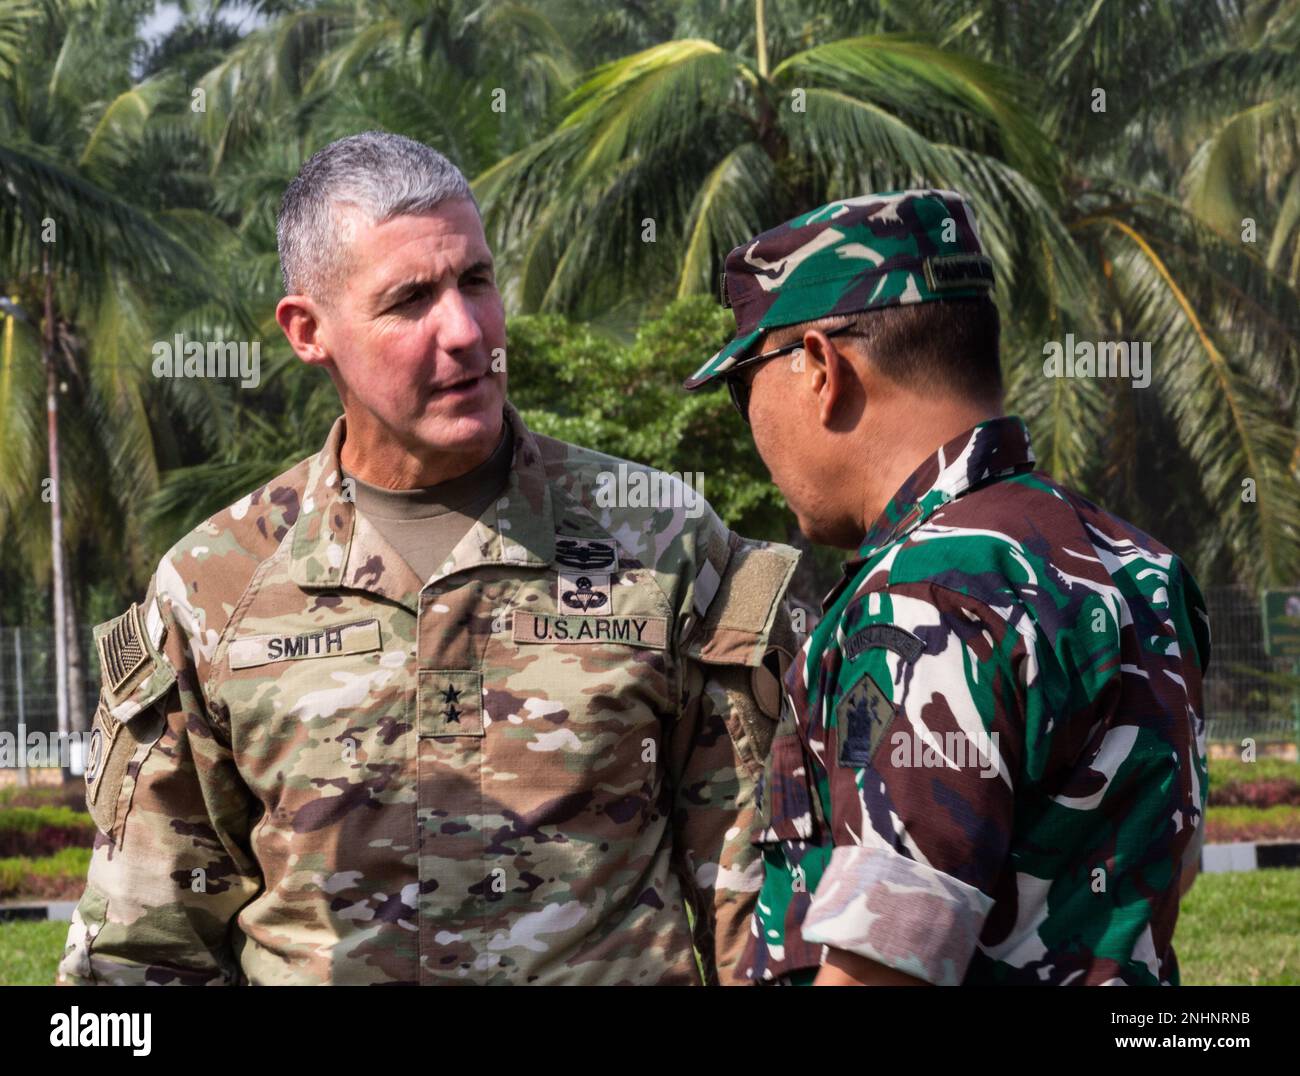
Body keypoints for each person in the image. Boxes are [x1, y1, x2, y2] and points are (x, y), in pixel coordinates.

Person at [57, 131, 799, 986]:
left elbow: (760, 909)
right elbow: (145, 948)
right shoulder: (216, 585)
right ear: (308, 331)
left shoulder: (662, 540)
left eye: (476, 281)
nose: (466, 331)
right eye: (410, 299)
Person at [682, 189, 1211, 986]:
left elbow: (885, 964)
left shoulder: (924, 594)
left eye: (743, 383)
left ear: (821, 368)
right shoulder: (1141, 565)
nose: (746, 419)